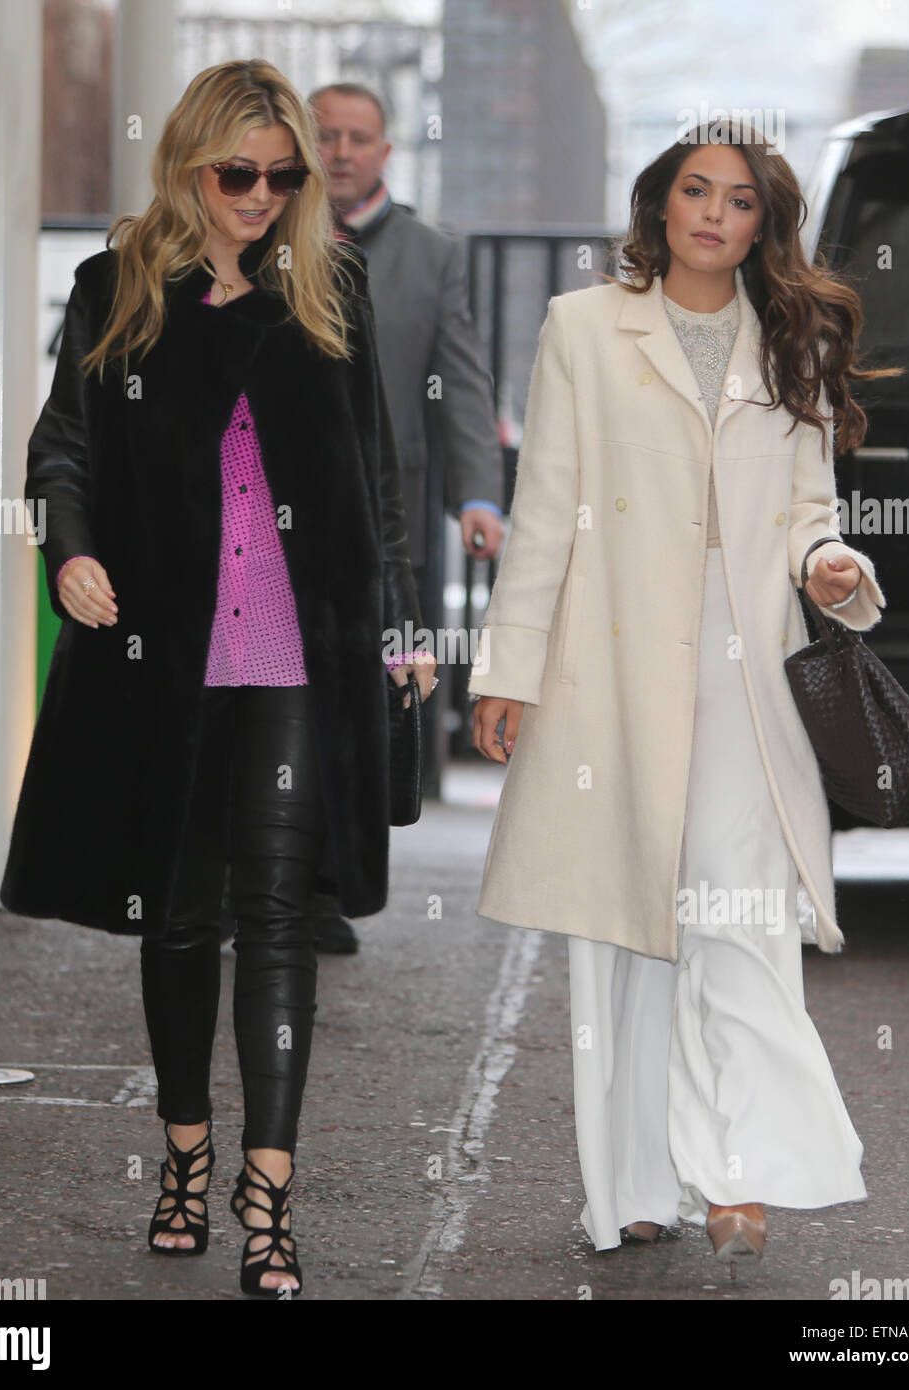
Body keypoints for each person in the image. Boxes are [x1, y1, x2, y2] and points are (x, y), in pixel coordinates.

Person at [0, 58, 435, 1298]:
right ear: (190, 161)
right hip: (171, 652)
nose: (260, 194)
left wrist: (400, 625)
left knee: (281, 917)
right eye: (237, 172)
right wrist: (71, 549)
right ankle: (185, 1151)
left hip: (302, 648)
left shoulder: (327, 284)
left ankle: (269, 1193)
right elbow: (63, 445)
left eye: (281, 175)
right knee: (181, 913)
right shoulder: (117, 284)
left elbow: (375, 475)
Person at [467, 119, 896, 1279]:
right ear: (659, 205)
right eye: (695, 192)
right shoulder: (581, 330)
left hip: (747, 676)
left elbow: (810, 510)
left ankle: (742, 1169)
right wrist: (507, 670)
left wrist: (830, 565)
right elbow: (547, 507)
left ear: (765, 221)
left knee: (741, 923)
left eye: (740, 199)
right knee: (623, 938)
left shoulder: (794, 342)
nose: (714, 213)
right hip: (610, 678)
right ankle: (635, 1188)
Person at [303, 81, 506, 952]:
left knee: (369, 694)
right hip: (272, 510)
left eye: (358, 138)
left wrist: (478, 495)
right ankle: (276, 881)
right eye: (326, 137)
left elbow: (459, 377)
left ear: (385, 151)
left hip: (386, 516)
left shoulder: (430, 251)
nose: (341, 152)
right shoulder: (270, 234)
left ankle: (329, 882)